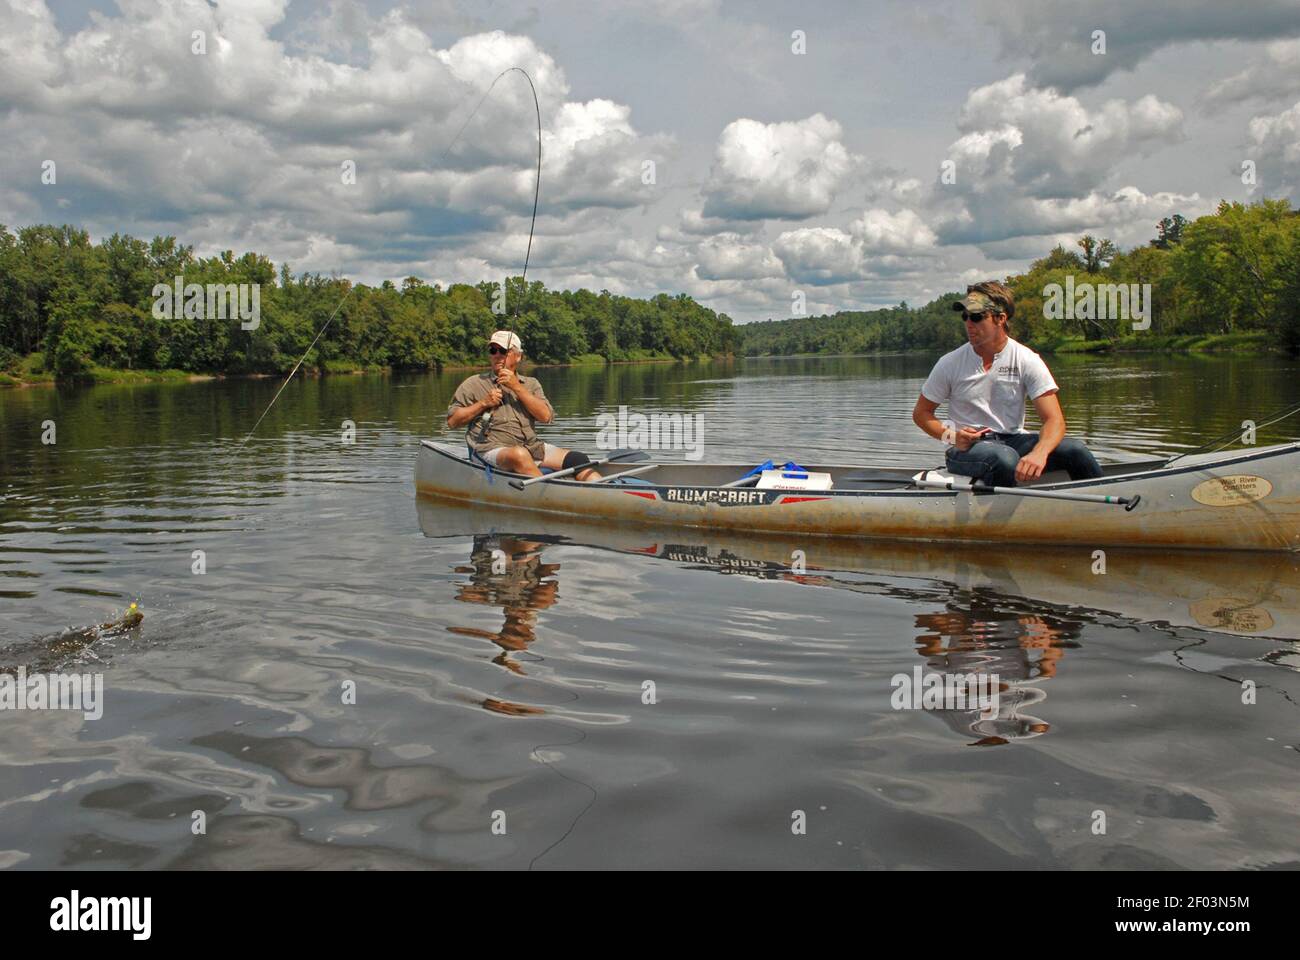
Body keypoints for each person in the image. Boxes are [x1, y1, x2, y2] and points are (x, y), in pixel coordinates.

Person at [911, 281, 1103, 486]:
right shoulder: (949, 363)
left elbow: (1054, 421)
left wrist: (1039, 453)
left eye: (976, 316)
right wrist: (951, 436)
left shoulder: (1026, 359)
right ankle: (1008, 514)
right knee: (1004, 458)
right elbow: (921, 413)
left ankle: (1104, 506)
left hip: (1013, 442)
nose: (968, 323)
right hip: (966, 449)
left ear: (1000, 318)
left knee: (1075, 450)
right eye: (965, 316)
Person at [446, 330, 601, 480]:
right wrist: (483, 403)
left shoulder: (531, 384)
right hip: (488, 449)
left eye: (503, 350)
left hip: (530, 446)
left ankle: (604, 490)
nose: (498, 355)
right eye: (493, 350)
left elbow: (546, 416)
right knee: (519, 455)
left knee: (578, 458)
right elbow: (452, 422)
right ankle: (554, 495)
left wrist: (517, 387)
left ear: (518, 356)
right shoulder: (473, 383)